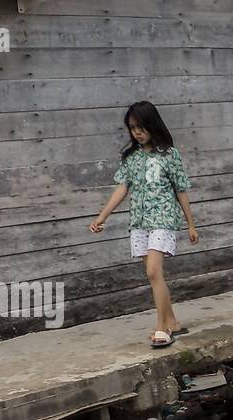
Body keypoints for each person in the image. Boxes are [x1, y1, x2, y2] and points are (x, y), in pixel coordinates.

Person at [89, 102, 198, 349]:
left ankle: (162, 327)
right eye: (132, 128)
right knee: (154, 276)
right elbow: (122, 188)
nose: (137, 132)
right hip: (139, 222)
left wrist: (191, 224)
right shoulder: (132, 157)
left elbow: (180, 190)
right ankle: (173, 321)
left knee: (153, 271)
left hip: (163, 219)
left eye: (141, 127)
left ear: (152, 125)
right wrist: (101, 217)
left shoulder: (170, 154)